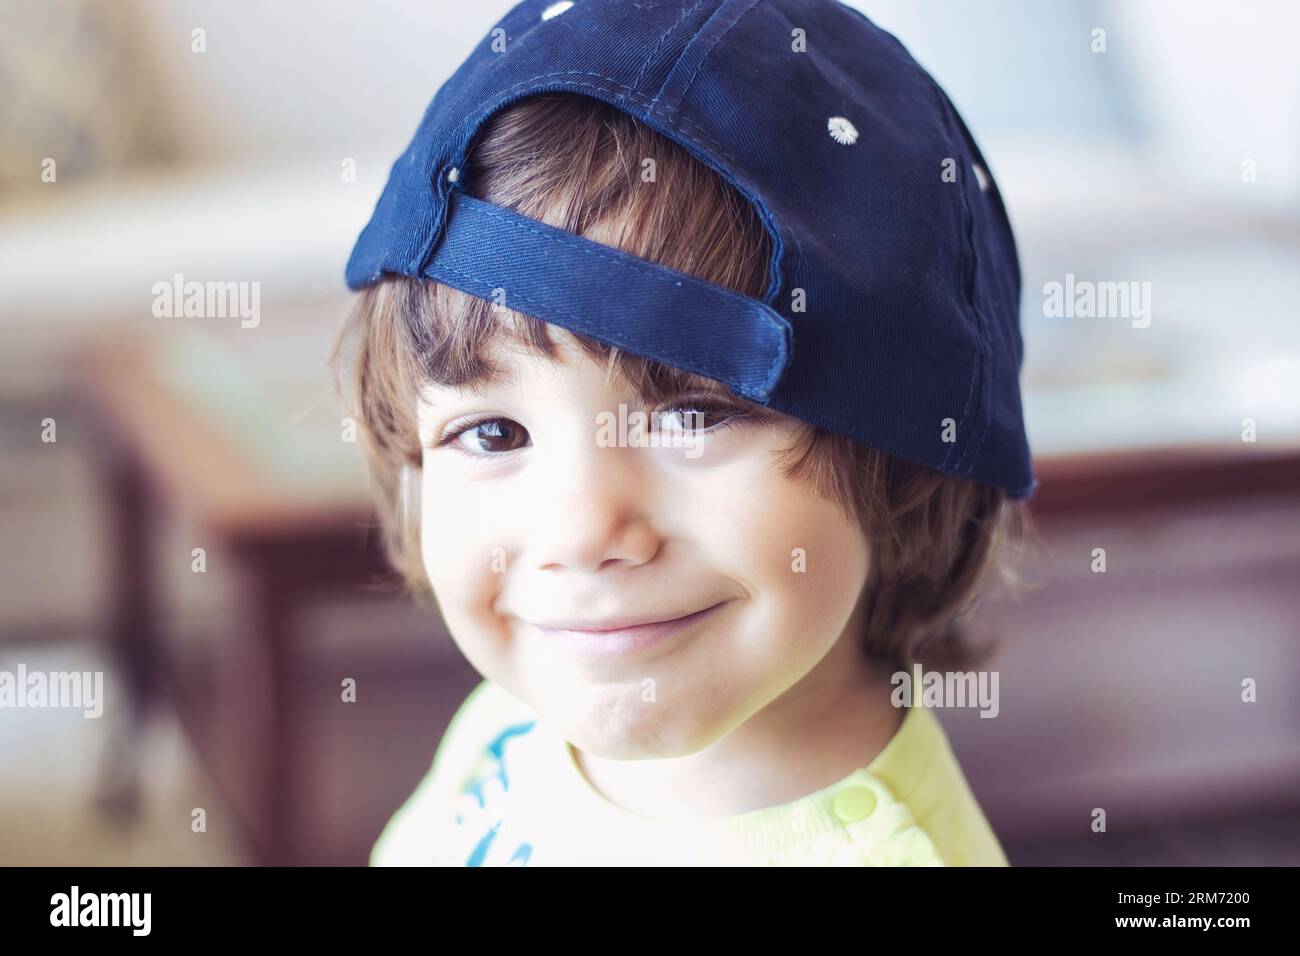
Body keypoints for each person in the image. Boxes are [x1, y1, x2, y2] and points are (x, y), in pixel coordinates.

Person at [332, 0, 1037, 866]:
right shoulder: (518, 724)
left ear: (905, 461)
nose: (580, 535)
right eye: (493, 434)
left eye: (694, 416)